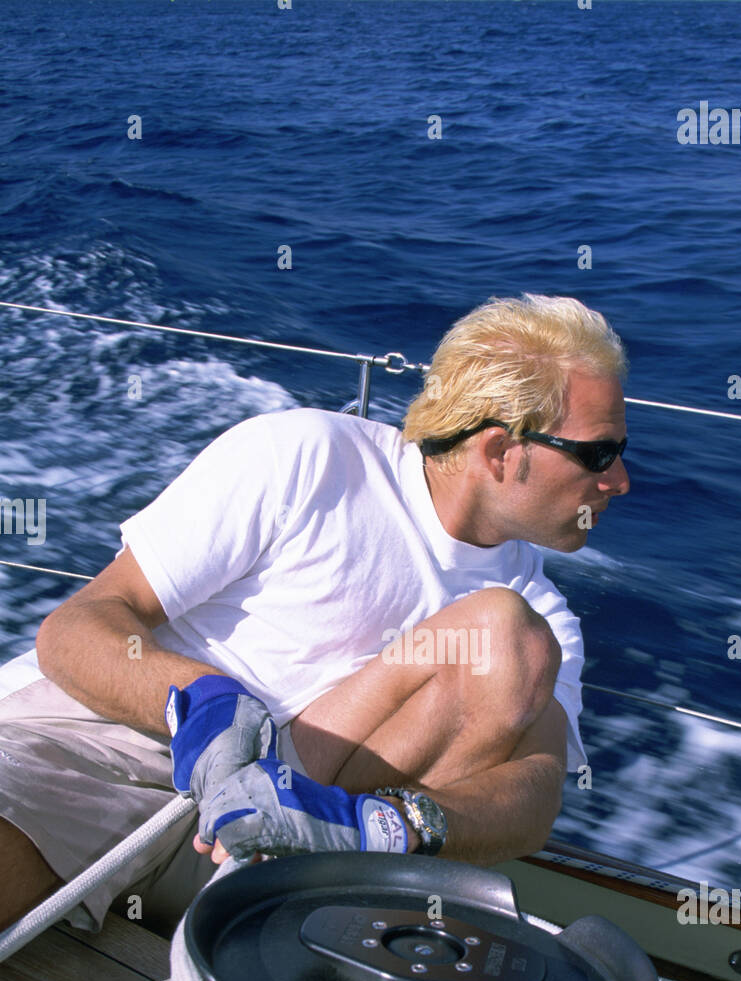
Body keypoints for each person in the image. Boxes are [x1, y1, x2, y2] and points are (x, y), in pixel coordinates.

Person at [0, 293, 629, 934]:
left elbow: (536, 796)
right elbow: (79, 626)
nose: (621, 480)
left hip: (273, 847)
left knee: (503, 634)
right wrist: (207, 704)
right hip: (98, 746)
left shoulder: (540, 615)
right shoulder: (307, 457)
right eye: (599, 454)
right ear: (500, 452)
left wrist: (397, 822)